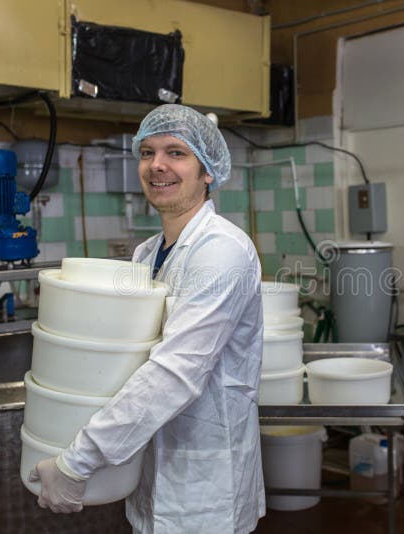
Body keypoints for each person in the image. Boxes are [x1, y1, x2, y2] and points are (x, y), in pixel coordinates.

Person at [29, 104, 266, 533]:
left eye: (176, 152)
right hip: (146, 468)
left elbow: (176, 373)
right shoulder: (146, 253)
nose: (157, 165)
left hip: (202, 483)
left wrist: (77, 460)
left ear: (207, 171)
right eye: (147, 152)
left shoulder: (221, 252)